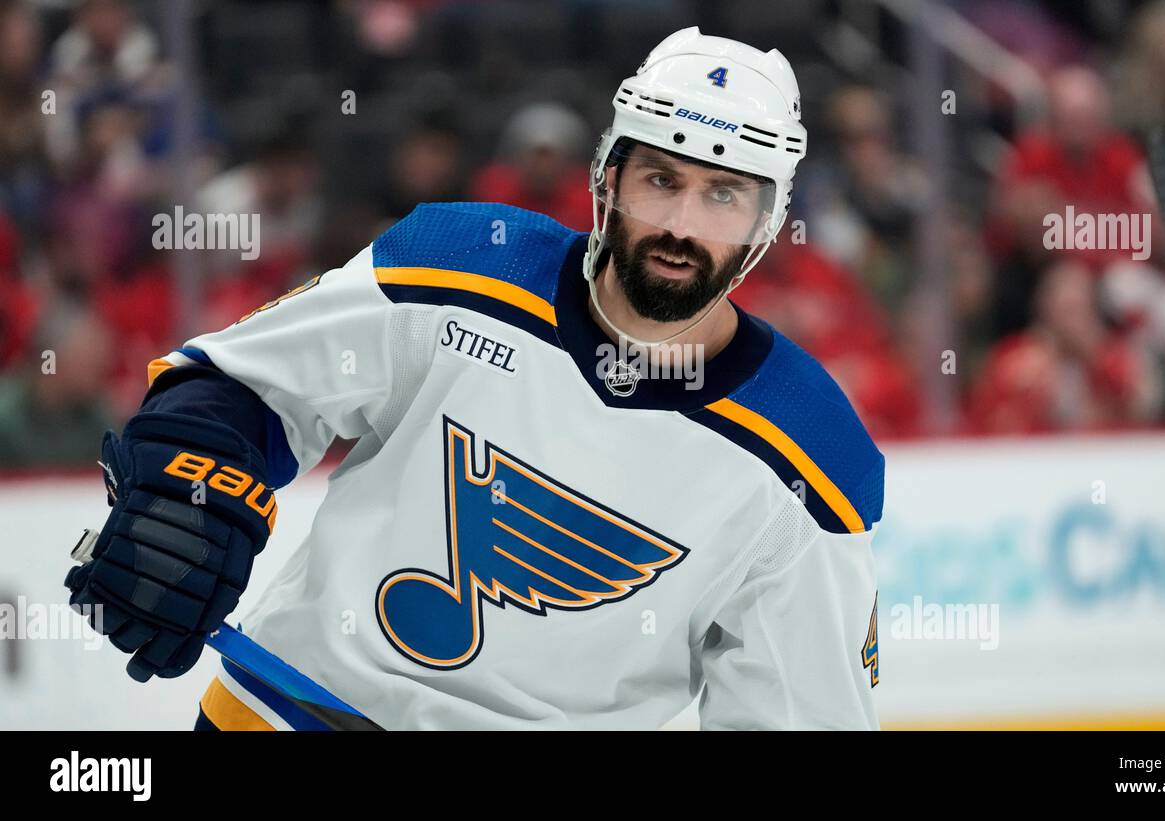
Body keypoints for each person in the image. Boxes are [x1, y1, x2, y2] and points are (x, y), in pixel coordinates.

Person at [65, 27, 886, 730]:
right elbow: (245, 386)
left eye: (723, 196)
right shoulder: (464, 262)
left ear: (766, 226)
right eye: (661, 180)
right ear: (607, 179)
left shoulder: (810, 454)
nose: (679, 224)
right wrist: (187, 488)